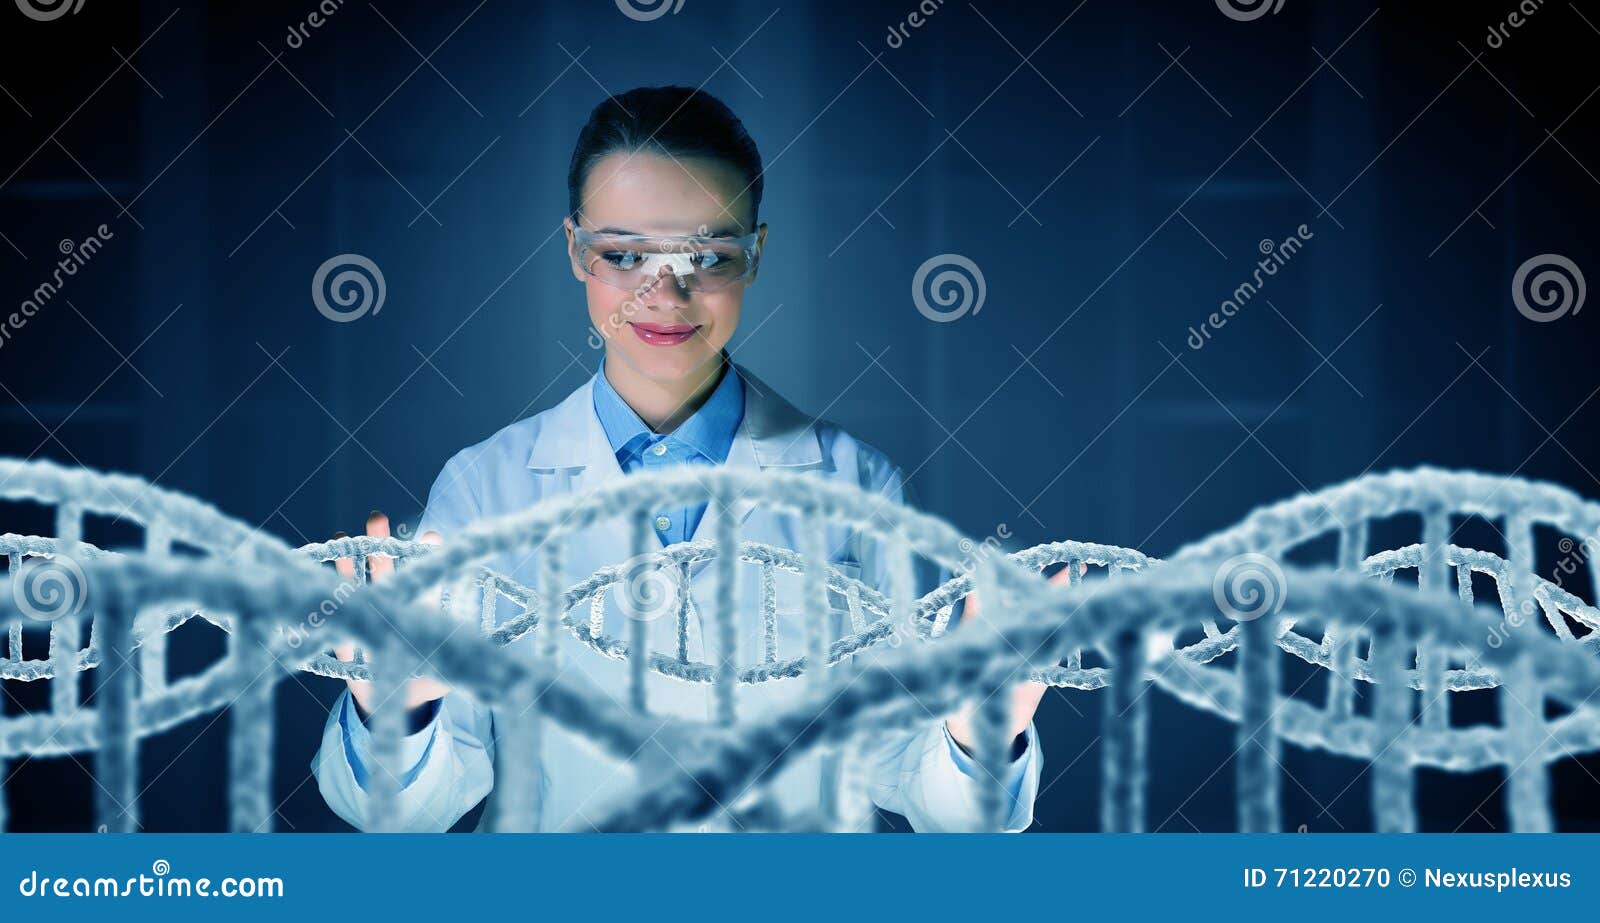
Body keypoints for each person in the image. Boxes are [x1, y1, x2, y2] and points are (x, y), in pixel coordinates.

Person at [313, 86, 1051, 833]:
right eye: (625, 254)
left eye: (708, 254)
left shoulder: (855, 484)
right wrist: (397, 712)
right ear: (574, 250)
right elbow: (405, 815)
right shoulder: (486, 489)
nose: (664, 293)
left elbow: (940, 805)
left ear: (756, 254)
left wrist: (977, 735)